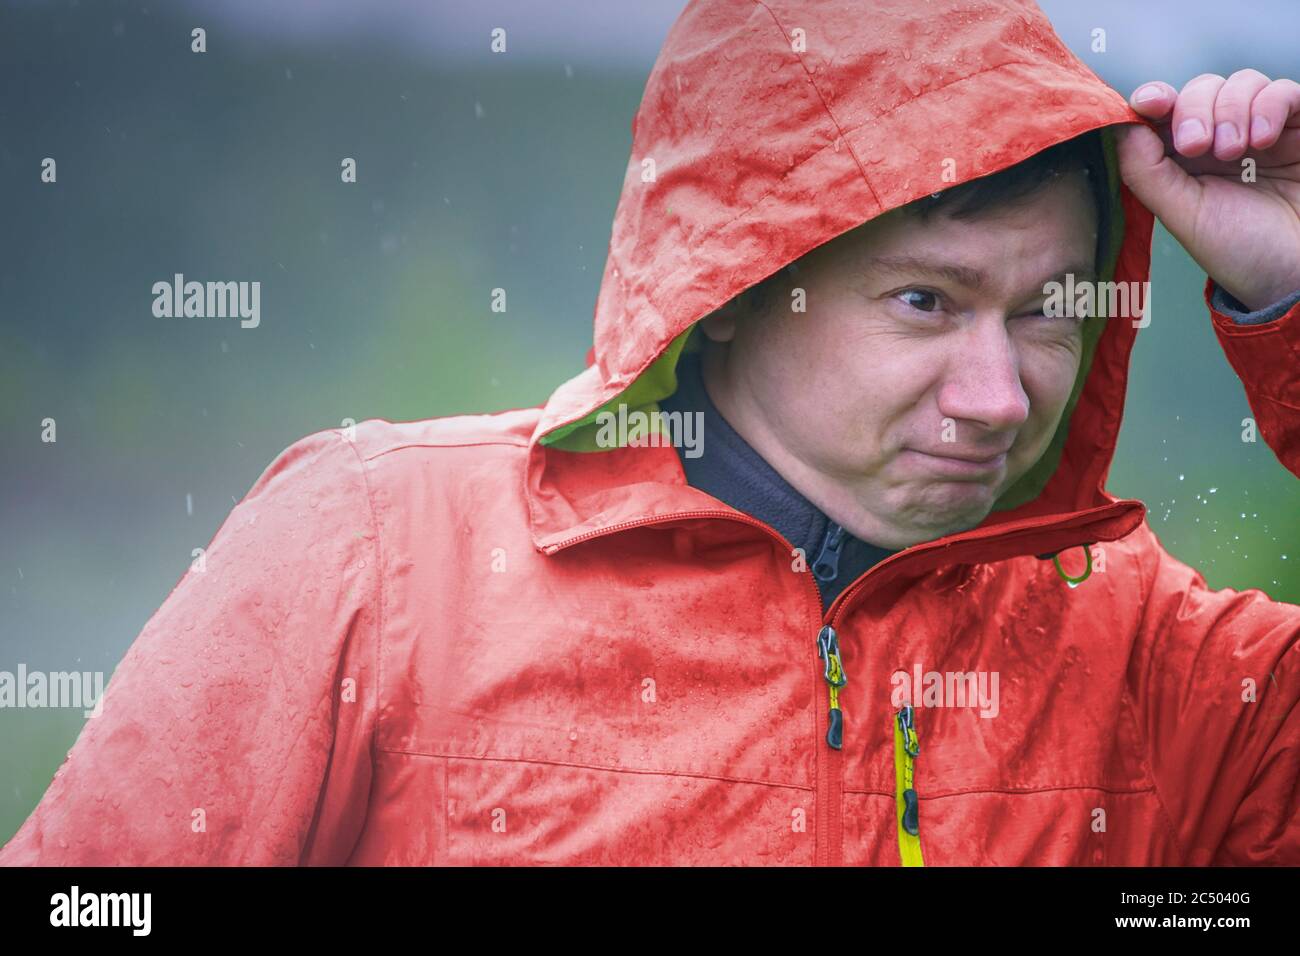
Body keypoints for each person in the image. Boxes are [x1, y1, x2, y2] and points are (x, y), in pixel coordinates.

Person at [3, 0, 1298, 866]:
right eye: (926, 302)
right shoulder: (379, 554)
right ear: (729, 292)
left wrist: (1292, 292)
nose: (1000, 394)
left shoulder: (1149, 659)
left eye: (1048, 314)